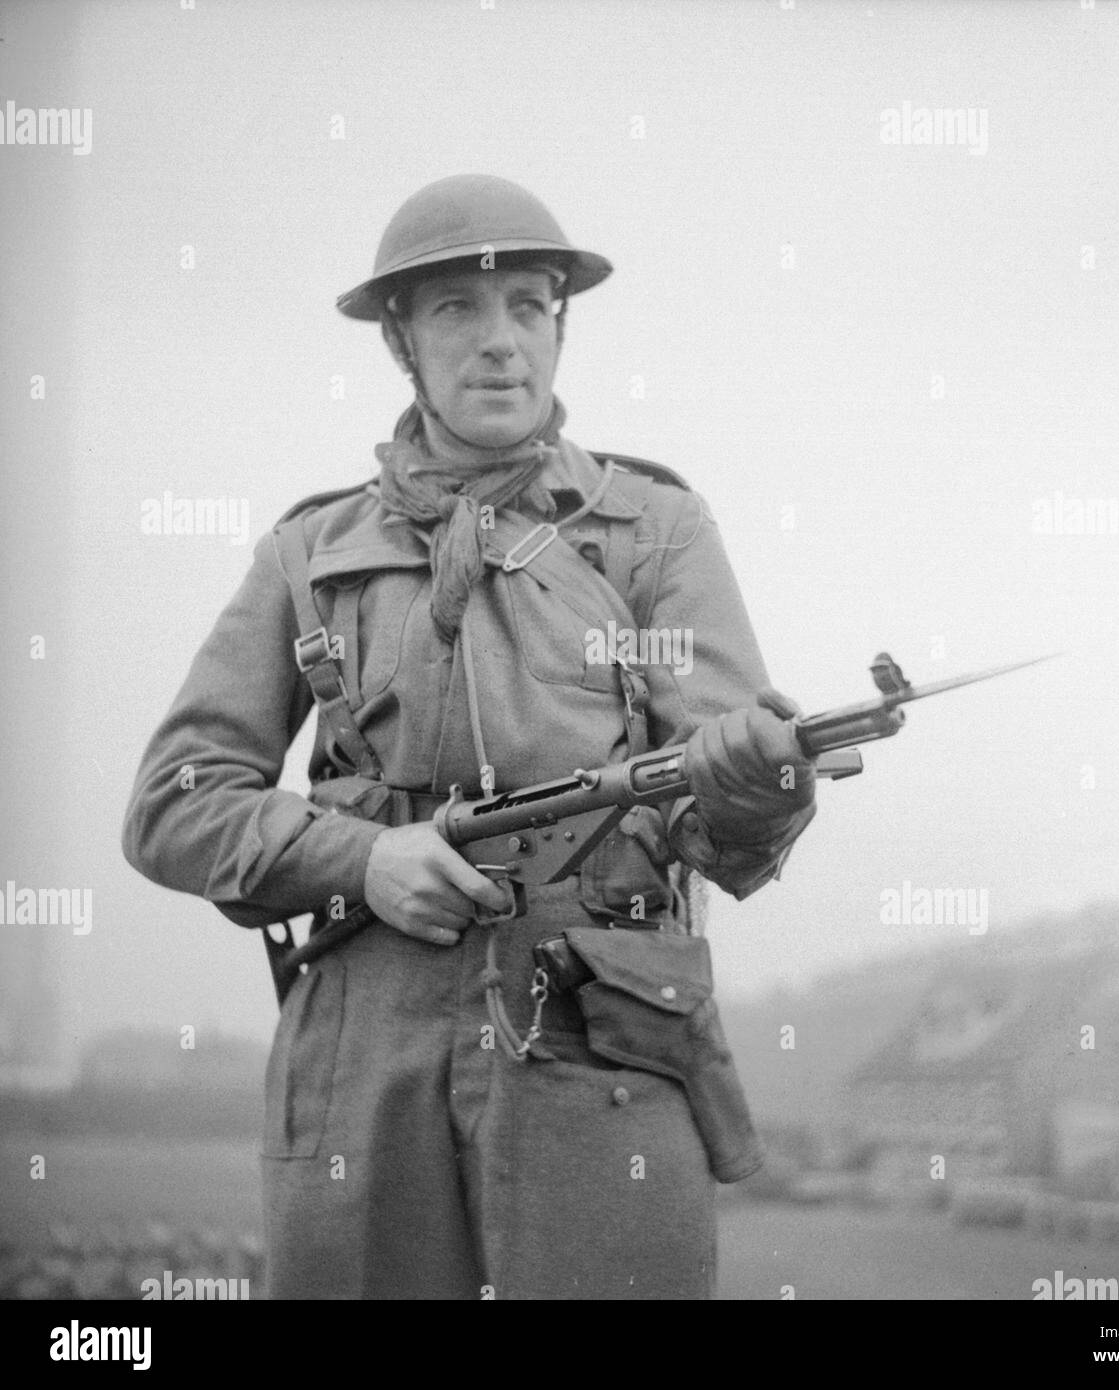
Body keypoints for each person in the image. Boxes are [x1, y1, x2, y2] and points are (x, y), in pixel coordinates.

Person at [122, 174, 817, 1300]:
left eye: (530, 306)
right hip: (365, 1048)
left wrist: (761, 785)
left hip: (603, 1038)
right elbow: (172, 804)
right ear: (401, 337)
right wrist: (364, 858)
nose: (501, 345)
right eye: (457, 310)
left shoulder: (656, 532)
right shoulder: (308, 552)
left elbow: (717, 822)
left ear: (561, 324)